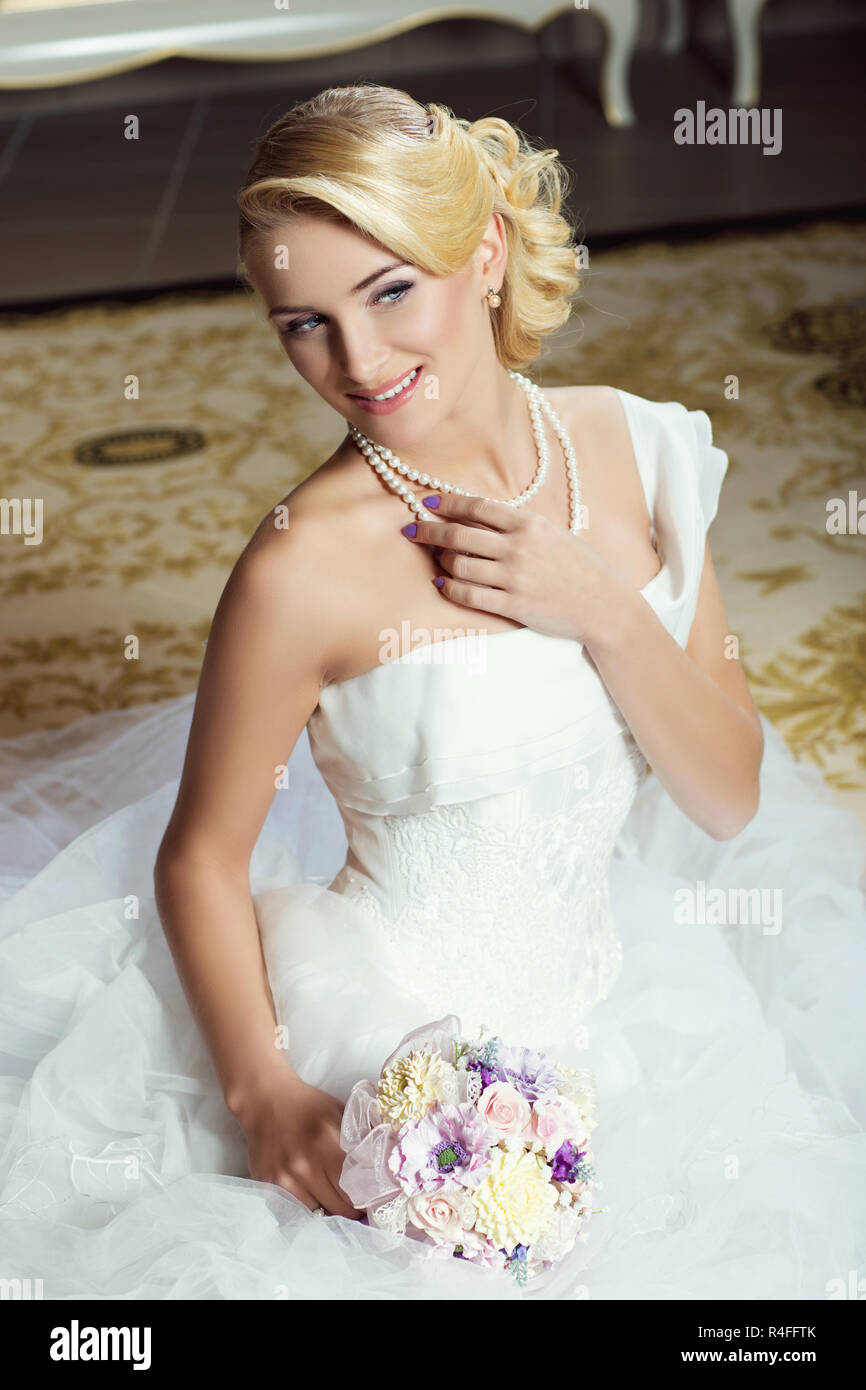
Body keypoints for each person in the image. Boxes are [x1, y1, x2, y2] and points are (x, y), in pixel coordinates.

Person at [0, 84, 864, 1301]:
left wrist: (600, 605)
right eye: (302, 322)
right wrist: (265, 1097)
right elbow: (200, 858)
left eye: (389, 290)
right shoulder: (302, 566)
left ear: (488, 252)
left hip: (626, 1003)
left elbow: (725, 796)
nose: (353, 362)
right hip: (380, 1033)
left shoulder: (637, 452)